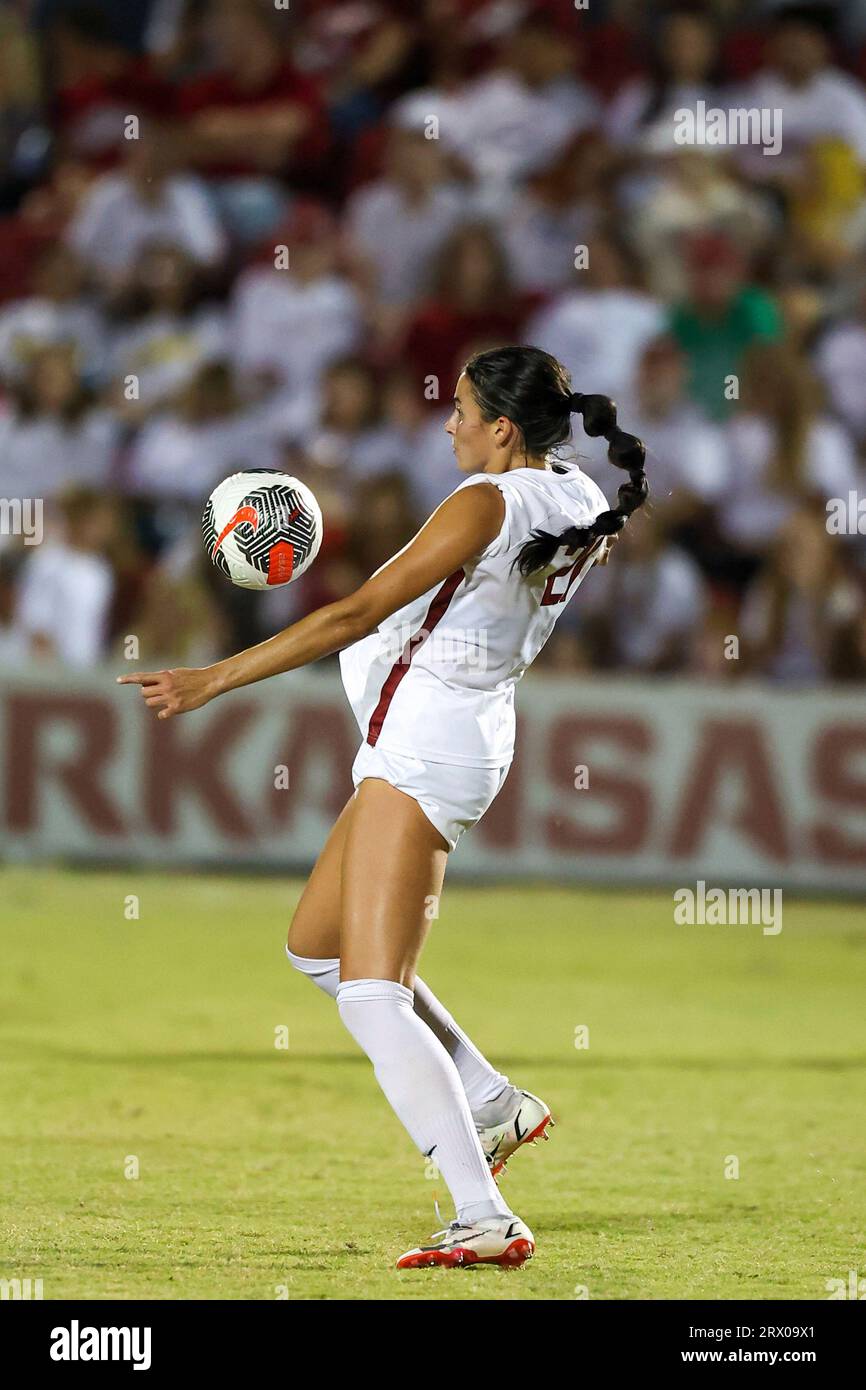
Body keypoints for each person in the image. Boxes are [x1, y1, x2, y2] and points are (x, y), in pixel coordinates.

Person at [117, 344, 649, 1270]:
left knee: (371, 993)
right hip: (456, 731)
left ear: (503, 429)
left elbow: (355, 616)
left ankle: (484, 1217)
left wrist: (217, 679)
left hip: (427, 745)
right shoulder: (575, 495)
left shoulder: (487, 501)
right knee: (316, 947)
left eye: (460, 409)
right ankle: (489, 1100)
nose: (446, 422)